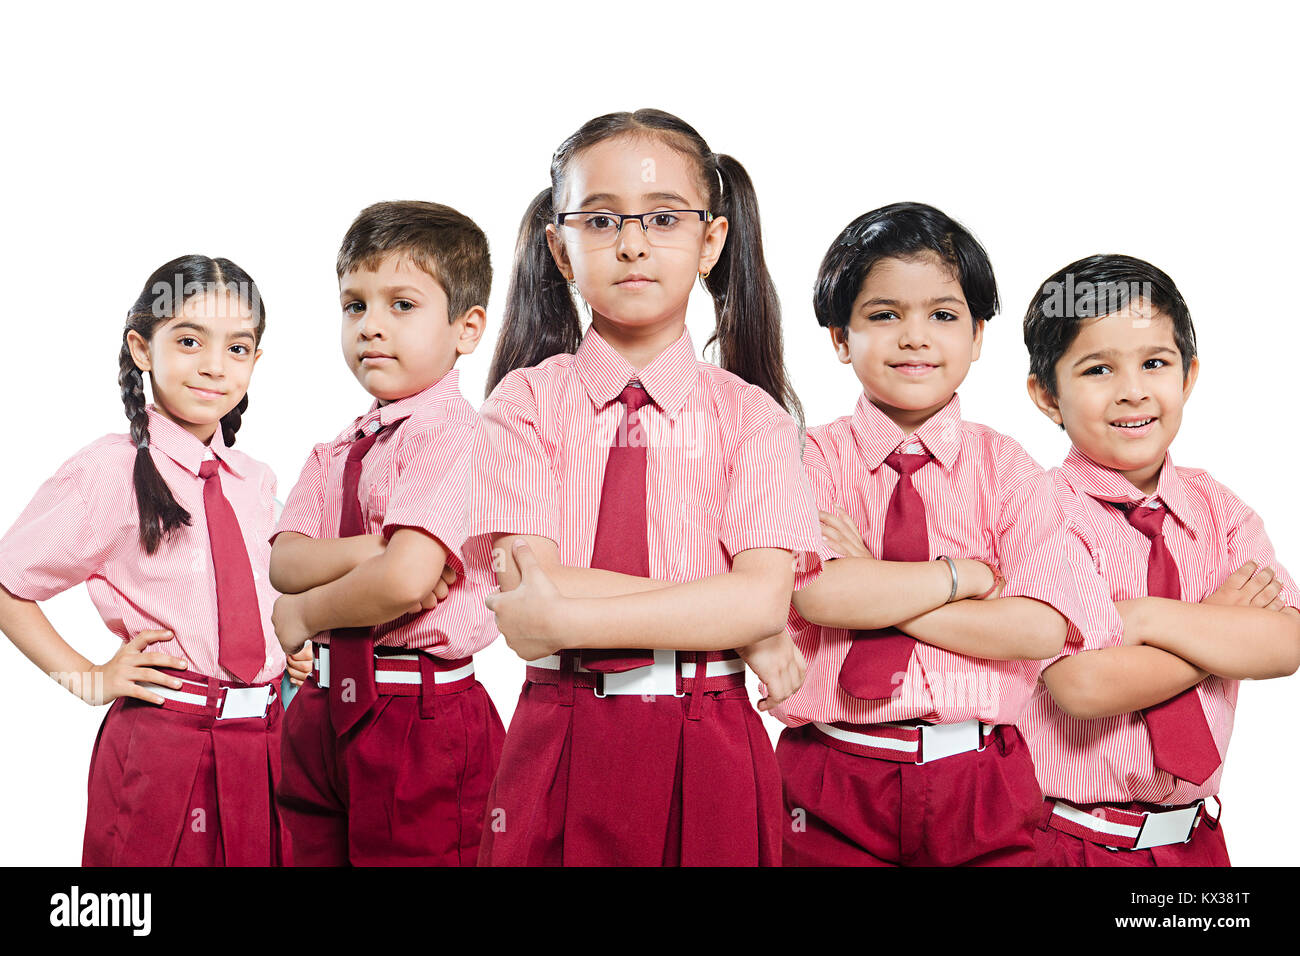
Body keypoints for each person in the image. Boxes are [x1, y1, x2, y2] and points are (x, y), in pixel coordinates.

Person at [473, 108, 821, 866]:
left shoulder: (751, 416)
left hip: (711, 737)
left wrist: (752, 613)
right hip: (559, 730)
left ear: (711, 242)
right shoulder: (523, 403)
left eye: (663, 217)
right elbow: (530, 618)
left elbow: (761, 598)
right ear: (560, 250)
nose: (631, 243)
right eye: (598, 221)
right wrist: (726, 613)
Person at [775, 203, 1082, 866]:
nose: (915, 337)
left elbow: (1040, 629)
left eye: (942, 316)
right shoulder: (808, 458)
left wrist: (881, 588)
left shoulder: (1010, 471)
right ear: (839, 336)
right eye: (884, 315)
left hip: (983, 778)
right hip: (832, 774)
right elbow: (823, 599)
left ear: (976, 336)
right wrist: (965, 580)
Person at [0, 254, 296, 865]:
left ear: (256, 363)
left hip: (267, 744)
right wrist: (88, 679)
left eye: (238, 348)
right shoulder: (111, 470)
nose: (214, 365)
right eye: (189, 341)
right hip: (166, 744)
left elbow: (266, 594)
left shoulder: (256, 478)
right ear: (142, 347)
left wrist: (291, 644)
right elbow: (8, 582)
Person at [1019, 253, 1300, 865]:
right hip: (1068, 840)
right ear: (1046, 393)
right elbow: (1081, 684)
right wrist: (1218, 624)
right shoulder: (1035, 511)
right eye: (1097, 369)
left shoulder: (1220, 511)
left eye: (1154, 363)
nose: (1133, 390)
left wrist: (1142, 618)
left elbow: (1285, 645)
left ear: (1188, 375)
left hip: (1196, 842)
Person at [270, 201, 505, 866]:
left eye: (402, 305)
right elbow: (285, 562)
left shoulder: (454, 435)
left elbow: (402, 584)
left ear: (467, 328)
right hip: (319, 707)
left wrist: (305, 613)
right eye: (354, 306)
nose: (371, 327)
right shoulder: (334, 449)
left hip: (419, 714)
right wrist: (378, 551)